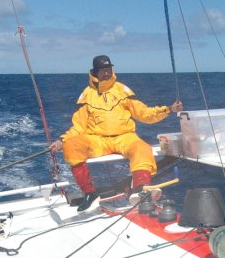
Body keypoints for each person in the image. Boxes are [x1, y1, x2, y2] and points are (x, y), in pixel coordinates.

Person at [49, 55, 182, 211]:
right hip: (98, 140)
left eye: (109, 69)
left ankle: (141, 188)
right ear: (94, 72)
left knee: (142, 148)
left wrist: (169, 109)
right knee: (71, 145)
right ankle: (89, 194)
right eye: (103, 70)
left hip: (124, 137)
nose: (106, 73)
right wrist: (62, 141)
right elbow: (78, 127)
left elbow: (144, 113)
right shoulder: (86, 95)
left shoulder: (122, 91)